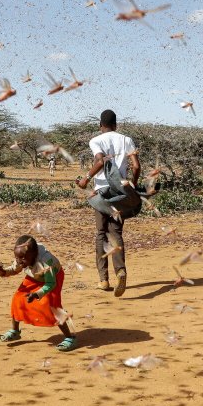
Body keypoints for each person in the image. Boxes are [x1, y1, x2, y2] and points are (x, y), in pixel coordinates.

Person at [76, 109, 140, 297]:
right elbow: (136, 166)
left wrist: (85, 179)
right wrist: (133, 186)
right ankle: (120, 271)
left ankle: (103, 280)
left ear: (100, 125)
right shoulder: (126, 140)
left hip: (101, 192)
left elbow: (100, 160)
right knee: (116, 232)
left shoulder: (96, 141)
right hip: (120, 191)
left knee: (101, 233)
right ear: (116, 124)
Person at [0, 235, 77, 352]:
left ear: (33, 255)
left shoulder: (46, 262)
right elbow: (14, 269)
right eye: (17, 257)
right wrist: (3, 272)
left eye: (22, 258)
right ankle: (15, 331)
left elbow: (50, 283)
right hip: (35, 276)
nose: (19, 261)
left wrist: (37, 294)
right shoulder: (22, 256)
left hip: (52, 278)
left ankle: (70, 337)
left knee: (52, 305)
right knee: (18, 298)